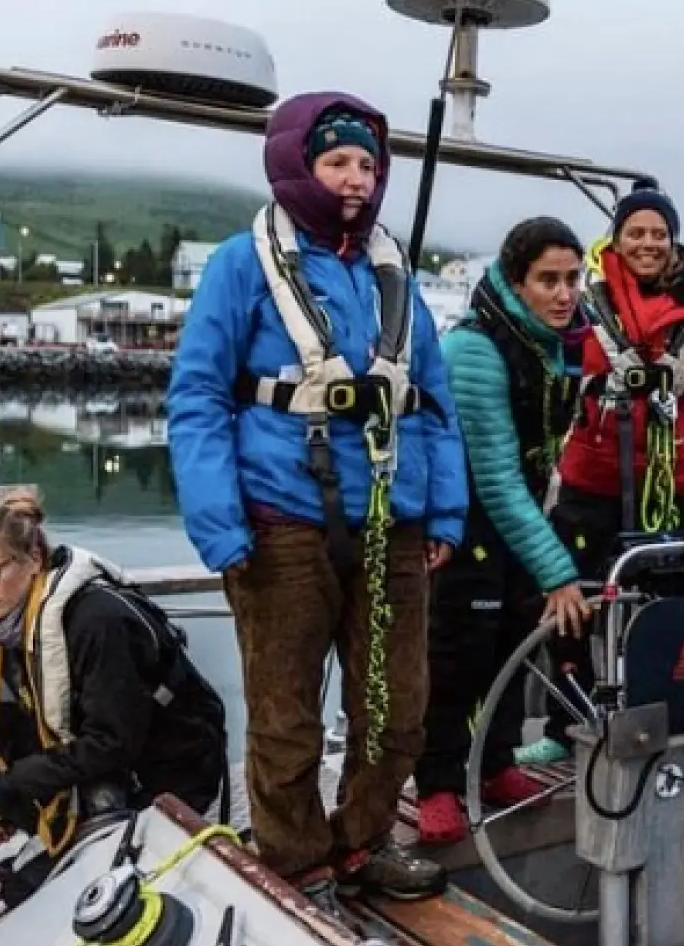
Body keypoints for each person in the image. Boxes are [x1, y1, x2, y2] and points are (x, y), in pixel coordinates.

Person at [167, 92, 465, 904]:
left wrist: (443, 512)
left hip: (391, 526)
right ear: (298, 164)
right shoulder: (241, 265)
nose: (355, 180)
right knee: (286, 716)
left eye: (368, 164)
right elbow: (197, 398)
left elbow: (431, 403)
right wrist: (221, 526)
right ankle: (297, 864)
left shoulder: (392, 275)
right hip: (280, 524)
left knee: (397, 710)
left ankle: (363, 844)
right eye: (337, 161)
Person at [513, 181, 684, 769]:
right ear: (616, 238)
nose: (648, 243)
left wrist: (677, 435)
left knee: (673, 611)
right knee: (572, 607)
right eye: (636, 232)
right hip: (590, 482)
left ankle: (676, 728)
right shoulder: (582, 303)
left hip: (670, 486)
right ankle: (567, 723)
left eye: (658, 234)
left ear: (673, 240)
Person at [413, 217, 594, 846]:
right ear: (515, 282)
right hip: (460, 517)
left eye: (573, 278)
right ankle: (436, 781)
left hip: (516, 513)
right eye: (548, 280)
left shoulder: (547, 344)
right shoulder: (475, 350)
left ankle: (491, 764)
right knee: (458, 651)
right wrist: (558, 572)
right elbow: (493, 475)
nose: (564, 293)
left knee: (512, 642)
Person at [0, 492, 227, 856]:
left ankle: (94, 839)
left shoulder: (97, 621)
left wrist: (11, 787)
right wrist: (11, 794)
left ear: (33, 561)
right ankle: (57, 838)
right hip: (101, 741)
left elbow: (113, 741)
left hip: (168, 763)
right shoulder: (17, 618)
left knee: (29, 882)